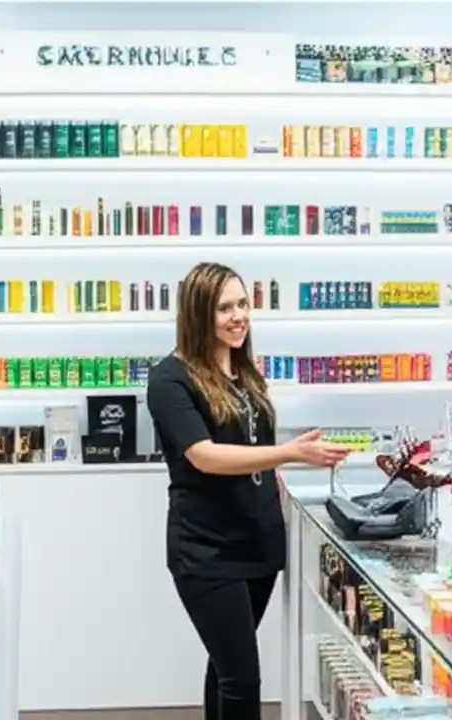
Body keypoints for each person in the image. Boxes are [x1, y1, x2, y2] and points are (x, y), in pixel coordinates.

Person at [146, 261, 349, 720]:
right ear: (198, 314)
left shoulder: (244, 372)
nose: (239, 316)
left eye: (243, 303)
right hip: (206, 550)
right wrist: (289, 454)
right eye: (224, 308)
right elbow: (204, 455)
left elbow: (250, 446)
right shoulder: (169, 379)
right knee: (243, 680)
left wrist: (281, 466)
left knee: (226, 670)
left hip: (257, 542)